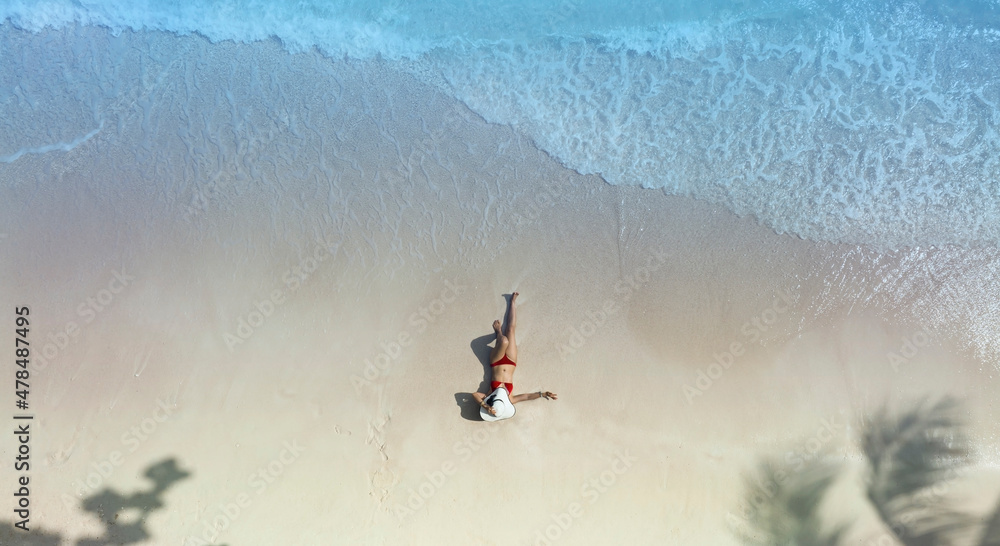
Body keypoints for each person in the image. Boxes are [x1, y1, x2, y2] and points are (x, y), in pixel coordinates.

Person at [473, 292, 557, 417]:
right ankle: (512, 302)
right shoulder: (510, 399)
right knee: (511, 330)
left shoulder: (488, 395)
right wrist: (543, 394)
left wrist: (485, 406)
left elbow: (474, 394)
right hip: (511, 361)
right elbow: (527, 396)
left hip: (496, 361)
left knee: (504, 340)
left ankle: (498, 332)